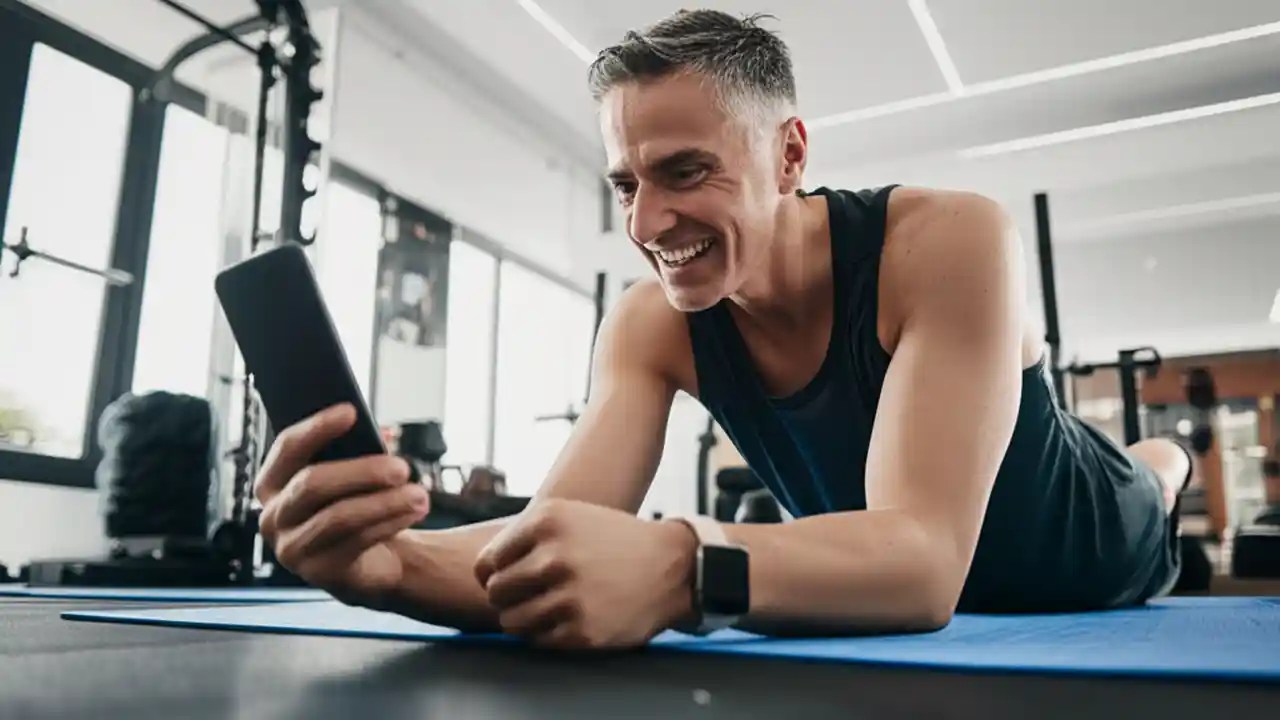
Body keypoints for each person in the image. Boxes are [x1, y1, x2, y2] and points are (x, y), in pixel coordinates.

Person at [253, 10, 1193, 649]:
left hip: (1090, 548)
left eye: (686, 172)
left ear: (788, 155)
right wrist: (388, 568)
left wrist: (681, 563)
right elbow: (550, 537)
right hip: (900, 569)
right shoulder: (650, 325)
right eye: (627, 183)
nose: (646, 224)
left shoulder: (948, 240)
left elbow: (923, 565)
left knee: (1148, 475)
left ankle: (1164, 463)